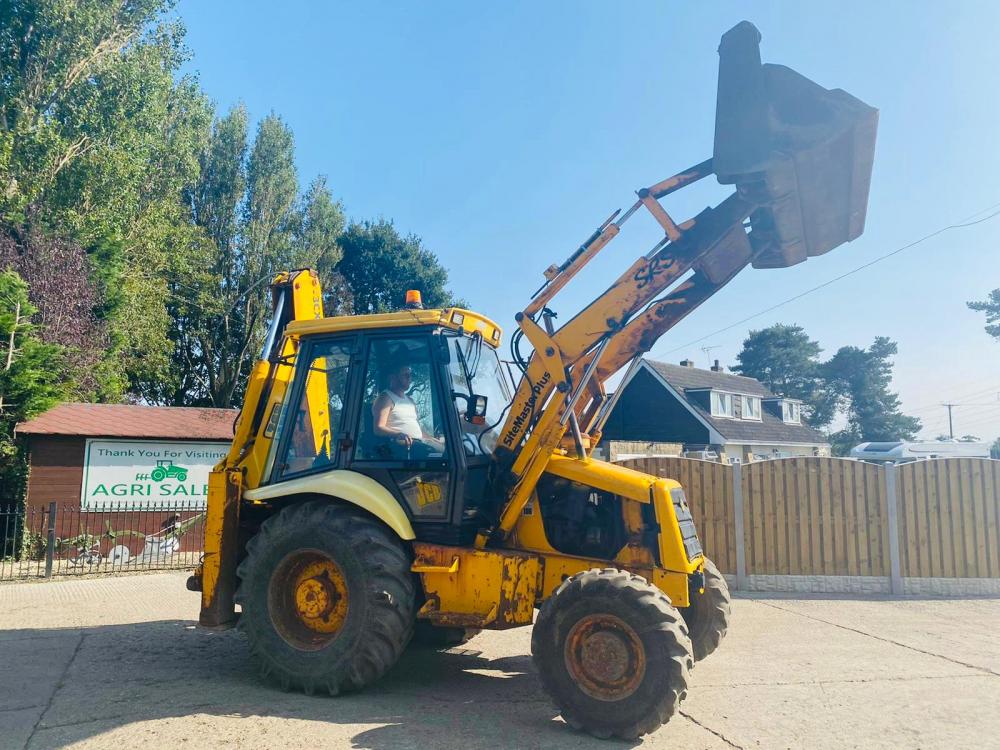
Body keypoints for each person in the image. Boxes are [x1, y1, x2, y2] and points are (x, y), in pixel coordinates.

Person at [371, 362, 444, 459]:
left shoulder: (410, 401)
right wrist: (399, 434)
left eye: (410, 375)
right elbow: (378, 428)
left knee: (448, 449)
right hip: (402, 447)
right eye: (405, 375)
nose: (410, 378)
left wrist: (434, 440)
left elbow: (419, 430)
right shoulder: (385, 398)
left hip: (419, 443)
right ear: (392, 377)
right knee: (439, 455)